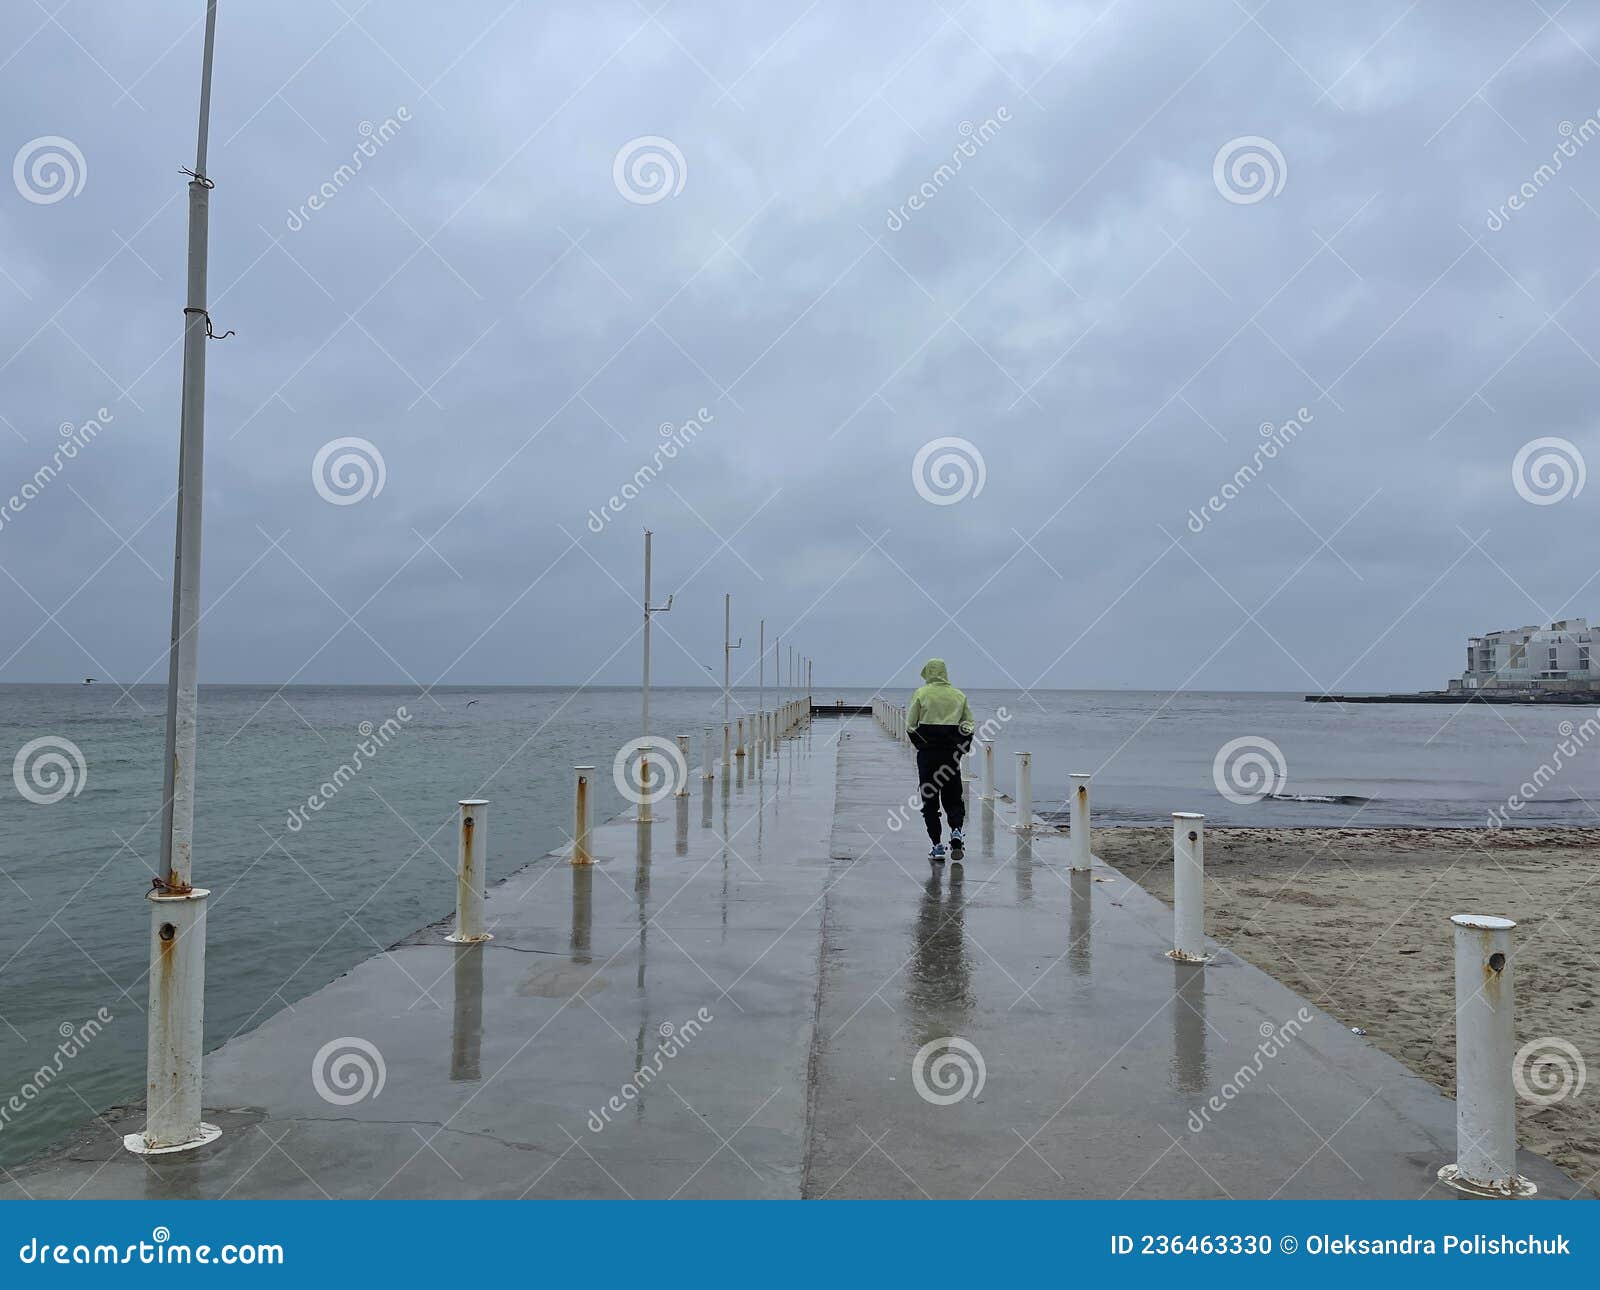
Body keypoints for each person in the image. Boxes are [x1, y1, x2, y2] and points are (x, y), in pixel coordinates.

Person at [906, 658, 975, 861]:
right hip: (950, 755)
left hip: (928, 755)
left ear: (928, 672)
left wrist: (921, 744)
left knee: (930, 800)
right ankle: (955, 830)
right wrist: (960, 747)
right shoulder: (958, 695)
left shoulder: (921, 694)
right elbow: (968, 725)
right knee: (953, 797)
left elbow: (910, 725)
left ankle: (936, 846)